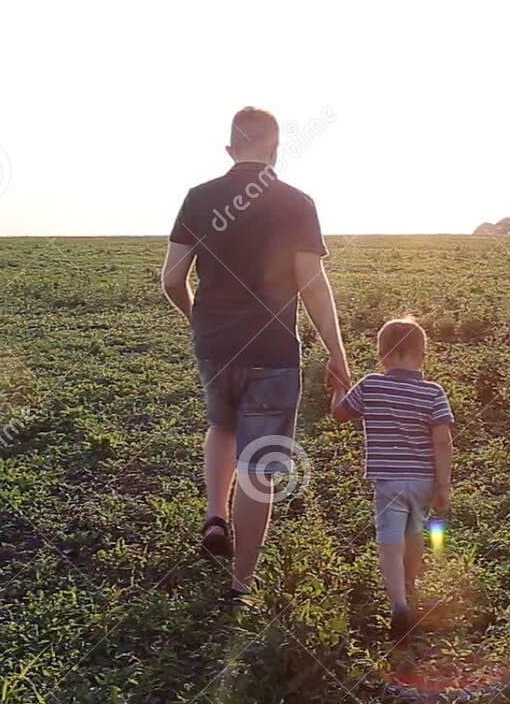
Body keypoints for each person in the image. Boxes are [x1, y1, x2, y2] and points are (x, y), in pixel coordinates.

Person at [162, 107, 351, 607]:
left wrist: (196, 320)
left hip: (214, 344)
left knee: (221, 427)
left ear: (230, 149)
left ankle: (214, 519)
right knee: (259, 466)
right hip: (272, 351)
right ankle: (241, 586)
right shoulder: (295, 203)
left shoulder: (199, 198)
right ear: (275, 149)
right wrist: (337, 353)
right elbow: (313, 284)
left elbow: (170, 280)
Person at [330, 316, 454, 641]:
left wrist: (339, 388)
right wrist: (444, 484)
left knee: (390, 541)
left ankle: (398, 603)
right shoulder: (434, 393)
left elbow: (340, 414)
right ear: (423, 357)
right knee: (415, 533)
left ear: (382, 356)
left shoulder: (371, 385)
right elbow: (443, 441)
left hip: (389, 481)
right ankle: (411, 585)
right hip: (423, 481)